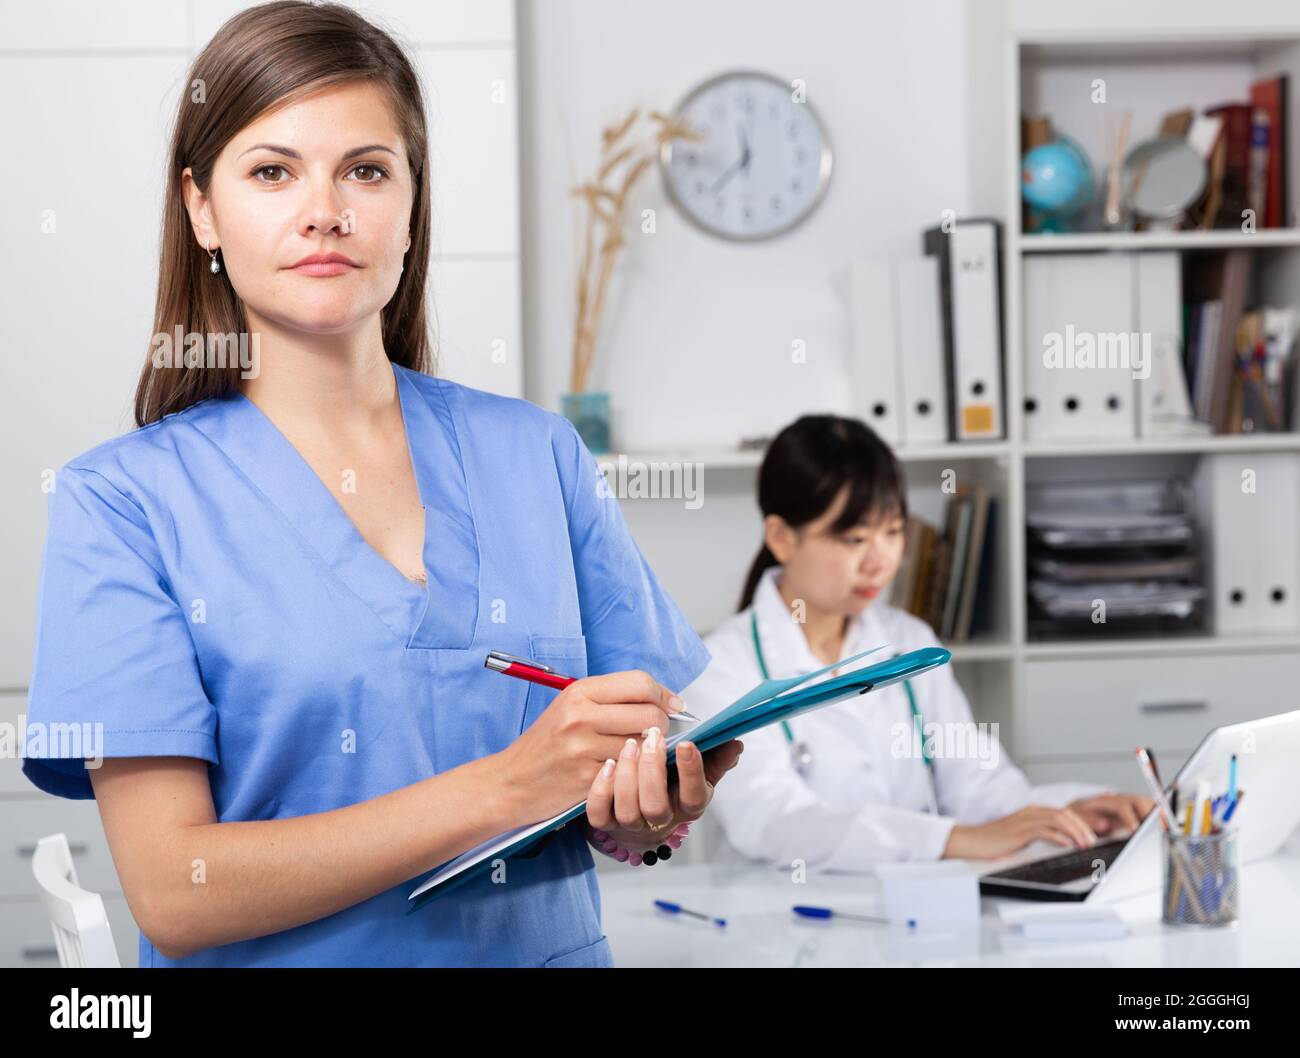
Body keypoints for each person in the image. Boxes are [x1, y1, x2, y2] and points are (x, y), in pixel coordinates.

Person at [22, 1, 741, 967]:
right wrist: (509, 785)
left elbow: (623, 809)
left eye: (366, 169)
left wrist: (645, 812)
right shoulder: (123, 504)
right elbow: (173, 893)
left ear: (412, 205)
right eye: (273, 172)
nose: (326, 209)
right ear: (203, 210)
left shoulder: (538, 454)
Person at [681, 414, 1152, 871]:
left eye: (892, 533)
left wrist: (1070, 810)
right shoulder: (723, 665)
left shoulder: (908, 641)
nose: (879, 561)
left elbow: (980, 785)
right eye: (854, 539)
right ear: (782, 538)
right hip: (781, 926)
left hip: (914, 910)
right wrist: (949, 839)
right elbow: (772, 821)